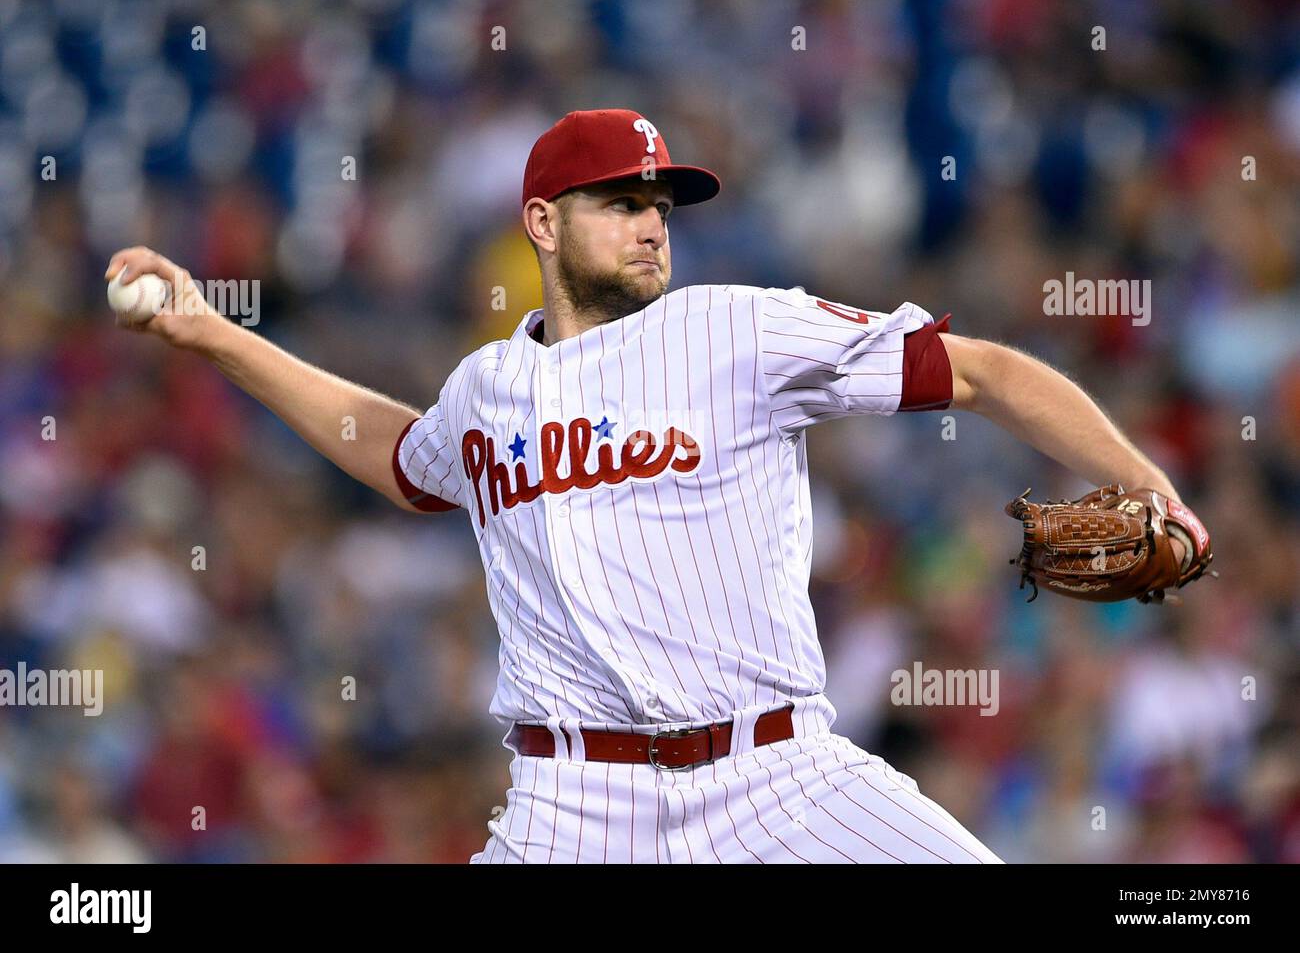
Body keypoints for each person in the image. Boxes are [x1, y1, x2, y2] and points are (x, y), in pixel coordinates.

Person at [106, 108, 1197, 863]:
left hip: (777, 778)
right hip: (575, 803)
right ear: (541, 222)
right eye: (618, 201)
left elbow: (980, 372)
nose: (649, 222)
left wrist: (1147, 481)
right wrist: (210, 335)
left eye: (659, 204)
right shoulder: (488, 388)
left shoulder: (734, 329)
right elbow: (396, 457)